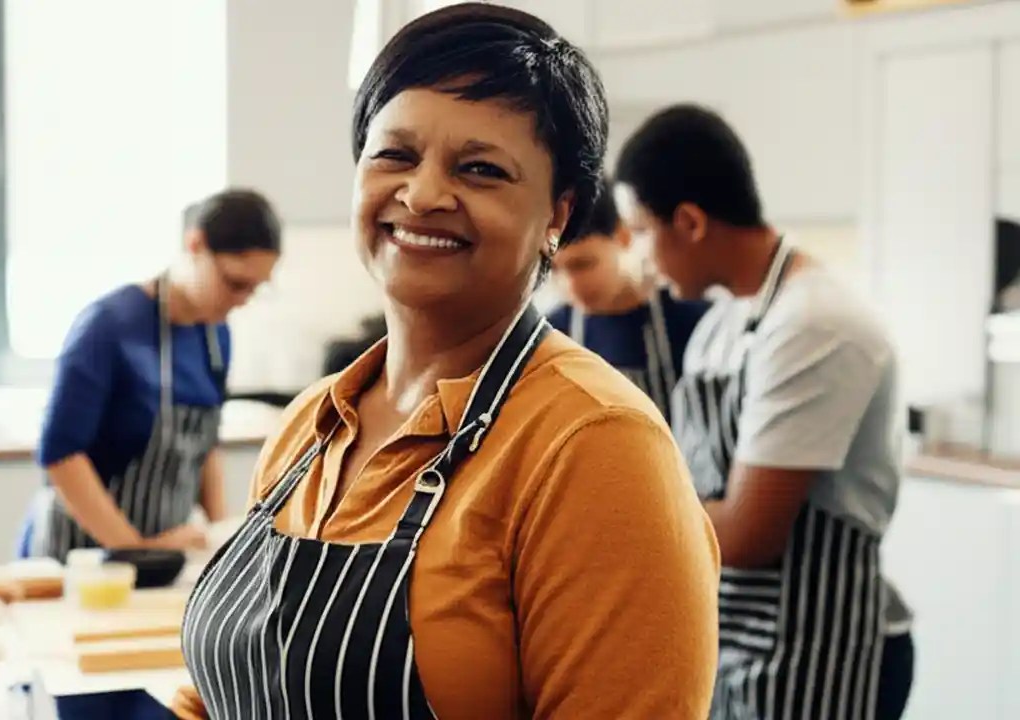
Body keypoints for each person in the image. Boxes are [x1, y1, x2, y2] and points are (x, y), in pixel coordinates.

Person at [171, 5, 720, 719]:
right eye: (394, 156)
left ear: (557, 216)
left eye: (481, 169)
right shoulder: (310, 426)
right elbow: (219, 693)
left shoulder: (596, 445)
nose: (424, 194)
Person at [614, 104, 914, 720]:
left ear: (690, 222)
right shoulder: (722, 325)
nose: (639, 258)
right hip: (738, 643)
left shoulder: (814, 323)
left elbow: (749, 533)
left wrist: (614, 521)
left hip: (825, 652)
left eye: (641, 231)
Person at [21, 189, 280, 719]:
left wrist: (220, 539)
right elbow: (61, 455)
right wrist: (134, 552)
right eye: (235, 283)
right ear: (195, 245)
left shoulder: (216, 337)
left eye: (255, 289)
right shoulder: (109, 326)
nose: (241, 301)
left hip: (161, 563)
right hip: (90, 565)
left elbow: (205, 442)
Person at [547, 189, 709, 421]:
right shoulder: (553, 335)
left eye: (583, 265)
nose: (571, 285)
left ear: (622, 236)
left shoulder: (690, 317)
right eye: (554, 269)